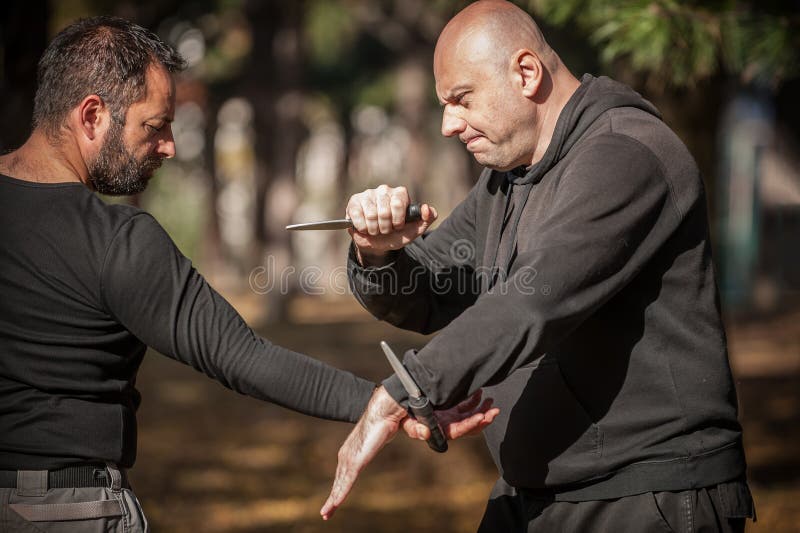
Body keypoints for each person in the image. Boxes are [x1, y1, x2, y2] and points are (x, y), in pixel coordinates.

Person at [0, 16, 498, 532]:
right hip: (68, 513)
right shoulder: (116, 241)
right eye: (155, 126)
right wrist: (391, 404)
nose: (170, 146)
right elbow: (241, 358)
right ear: (92, 116)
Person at [320, 1, 756, 531]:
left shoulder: (627, 155)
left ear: (526, 73)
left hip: (647, 495)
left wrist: (405, 390)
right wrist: (377, 250)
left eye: (461, 100)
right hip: (539, 491)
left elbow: (531, 301)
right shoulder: (510, 178)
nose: (447, 125)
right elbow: (433, 287)